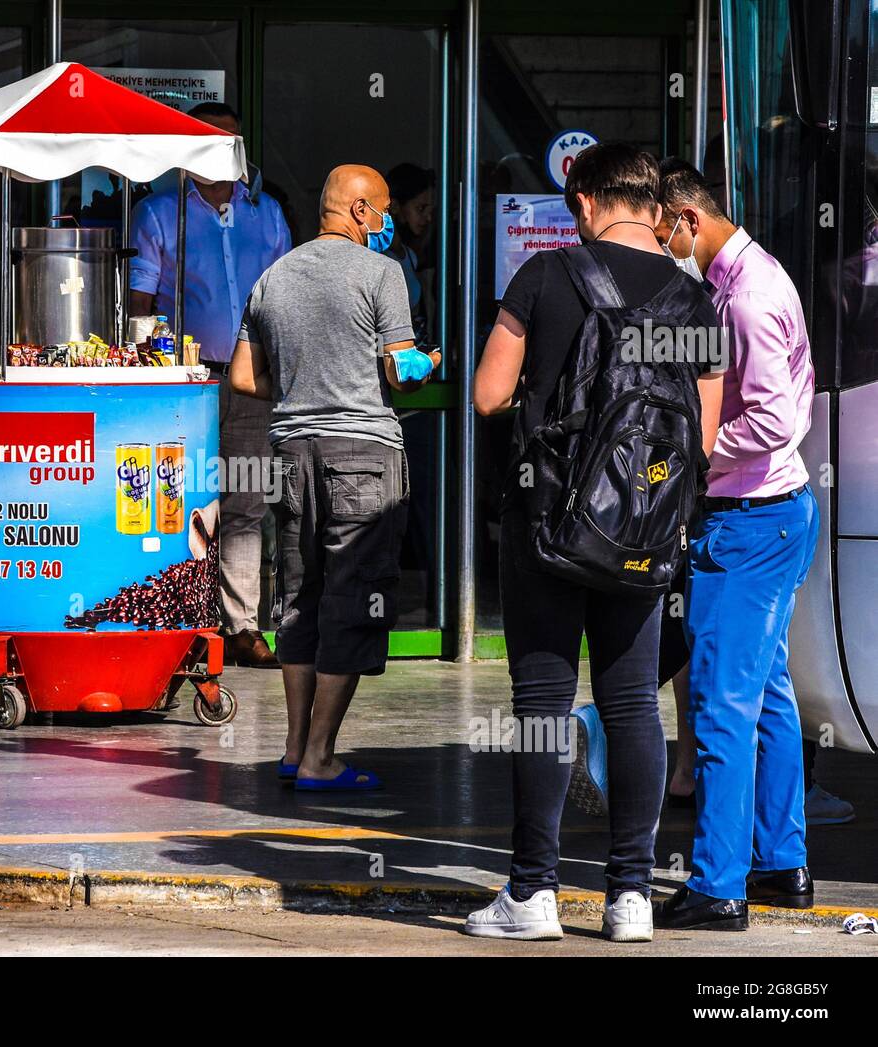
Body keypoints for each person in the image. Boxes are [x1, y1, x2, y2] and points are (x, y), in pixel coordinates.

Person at [466, 143, 724, 942]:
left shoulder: (548, 278)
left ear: (582, 203)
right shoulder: (695, 304)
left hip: (548, 527)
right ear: (656, 206)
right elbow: (703, 443)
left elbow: (487, 394)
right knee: (634, 705)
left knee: (542, 707)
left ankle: (533, 894)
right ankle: (631, 898)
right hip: (645, 533)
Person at [229, 165, 439, 790]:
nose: (388, 223)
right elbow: (400, 373)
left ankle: (294, 750)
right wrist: (426, 362)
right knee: (353, 600)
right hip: (364, 455)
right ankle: (321, 758)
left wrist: (298, 389)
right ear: (358, 211)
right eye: (383, 212)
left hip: (291, 453)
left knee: (301, 602)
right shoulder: (382, 273)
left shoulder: (272, 277)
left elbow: (242, 378)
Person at [652, 159, 820, 930]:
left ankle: (718, 883)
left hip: (749, 519)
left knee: (720, 701)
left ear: (688, 217)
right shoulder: (755, 277)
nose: (663, 245)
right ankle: (781, 864)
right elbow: (804, 386)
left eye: (663, 230)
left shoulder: (744, 297)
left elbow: (774, 421)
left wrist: (694, 452)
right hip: (777, 509)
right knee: (769, 694)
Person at [129, 102, 291, 669]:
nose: (226, 151)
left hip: (249, 383)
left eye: (234, 141)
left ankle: (242, 627)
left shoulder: (266, 215)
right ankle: (179, 621)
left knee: (245, 504)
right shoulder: (158, 214)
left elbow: (283, 300)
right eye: (213, 140)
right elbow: (140, 305)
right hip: (183, 385)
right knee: (179, 502)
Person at [384, 163, 435, 342]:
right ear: (396, 206)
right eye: (420, 209)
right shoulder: (379, 258)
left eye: (430, 211)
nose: (428, 218)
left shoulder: (409, 255)